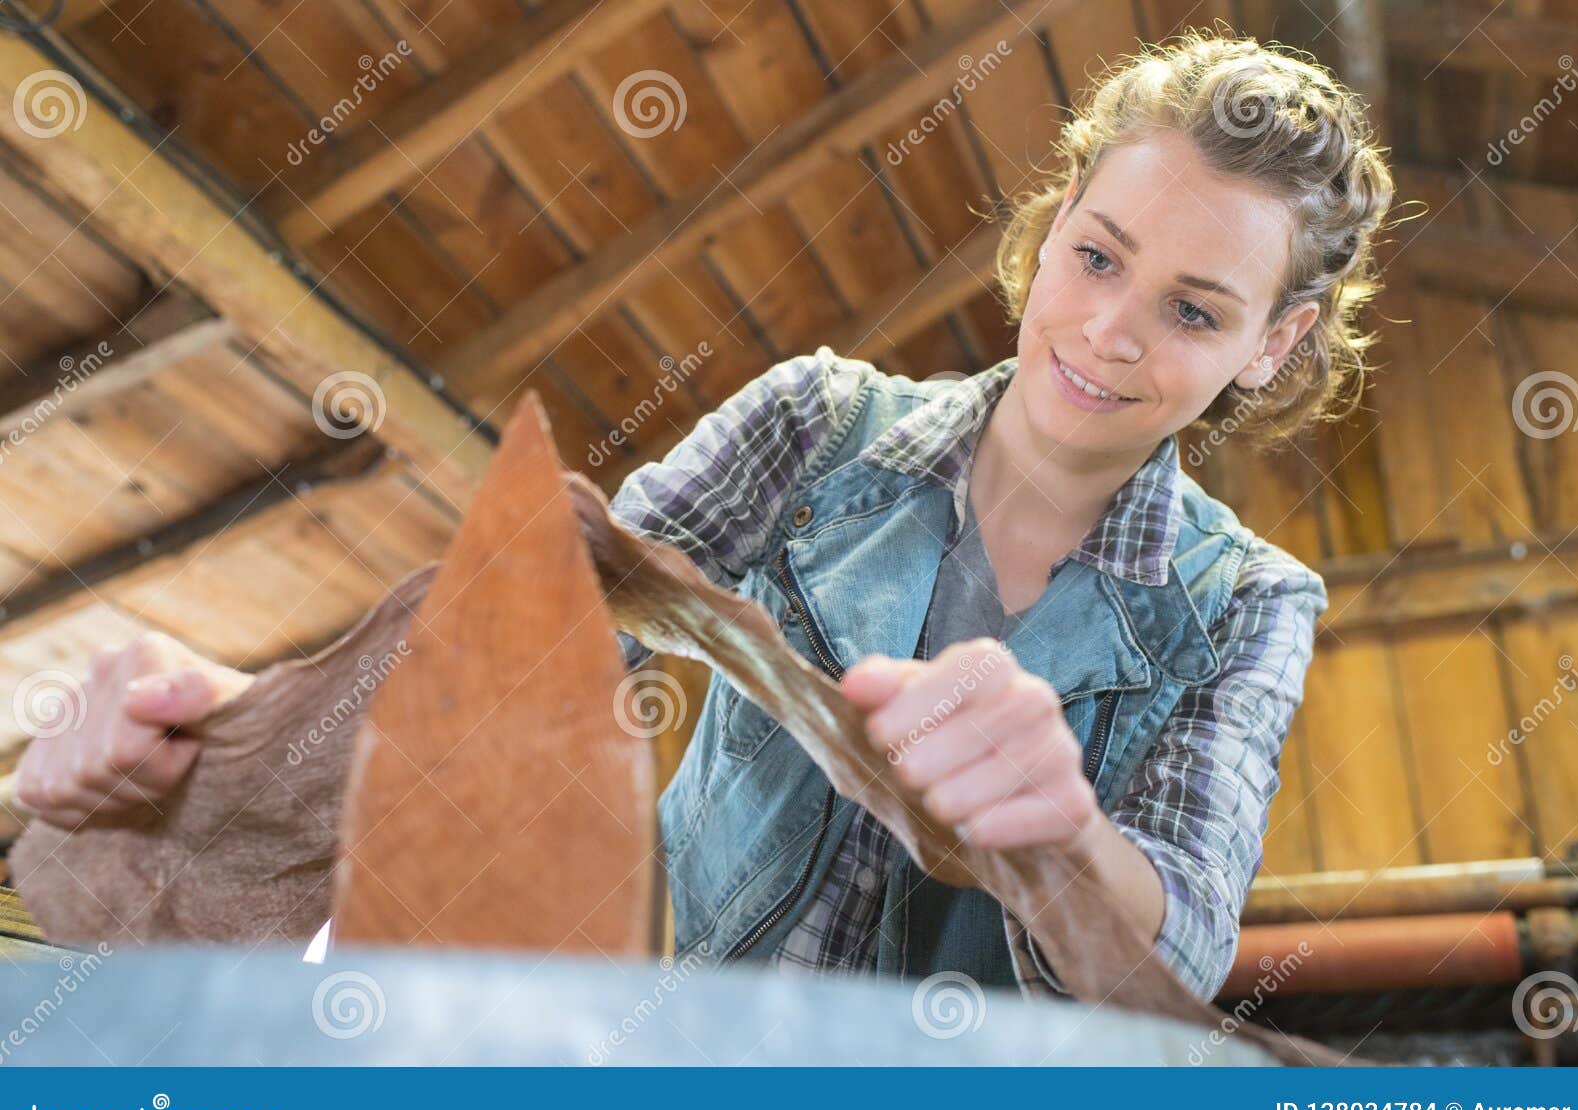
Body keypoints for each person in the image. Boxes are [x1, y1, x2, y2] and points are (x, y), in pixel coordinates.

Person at [12, 33, 1392, 1005]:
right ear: (1050, 233)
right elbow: (527, 651)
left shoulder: (1250, 601)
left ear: (1275, 345)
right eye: (1096, 256)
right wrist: (234, 738)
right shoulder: (813, 425)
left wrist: (1065, 837)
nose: (1105, 329)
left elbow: (1187, 940)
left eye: (1196, 309)